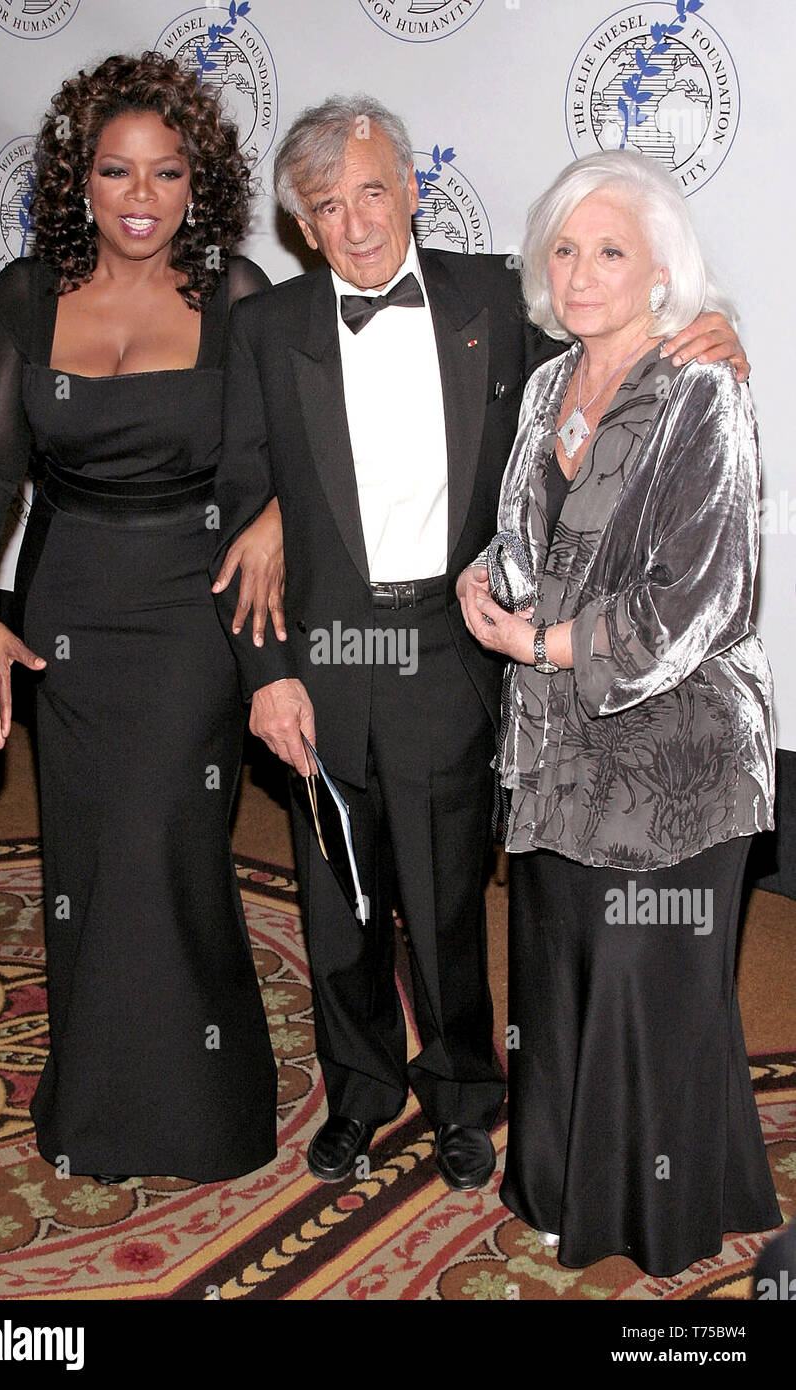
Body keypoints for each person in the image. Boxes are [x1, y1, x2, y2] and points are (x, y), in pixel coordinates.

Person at [211, 95, 748, 1191]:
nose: (357, 223)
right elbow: (236, 500)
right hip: (321, 654)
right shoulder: (265, 330)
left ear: (411, 183)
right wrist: (264, 673)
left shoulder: (497, 296)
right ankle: (358, 1093)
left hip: (448, 650)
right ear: (303, 228)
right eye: (327, 206)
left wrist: (718, 324)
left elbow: (623, 327)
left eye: (372, 189)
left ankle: (462, 1093)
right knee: (337, 906)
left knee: (448, 901)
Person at [0, 52, 284, 1184]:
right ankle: (96, 1103)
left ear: (198, 183)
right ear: (77, 180)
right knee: (87, 853)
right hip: (71, 603)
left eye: (166, 172)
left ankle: (207, 1107)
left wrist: (280, 511)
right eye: (115, 172)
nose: (141, 197)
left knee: (166, 842)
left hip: (192, 607)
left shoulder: (233, 294)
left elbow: (304, 438)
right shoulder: (25, 293)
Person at [458, 148, 781, 1274]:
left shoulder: (702, 387)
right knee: (558, 977)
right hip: (554, 749)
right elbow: (521, 539)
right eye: (563, 248)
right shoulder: (550, 384)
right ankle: (559, 1184)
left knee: (645, 991)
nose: (581, 270)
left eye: (609, 250)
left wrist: (542, 641)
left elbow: (709, 593)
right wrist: (485, 585)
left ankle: (654, 1212)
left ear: (658, 273)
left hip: (674, 755)